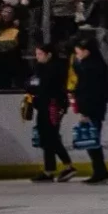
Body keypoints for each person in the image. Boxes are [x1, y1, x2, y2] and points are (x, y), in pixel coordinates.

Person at [21, 43, 75, 182]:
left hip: (53, 106)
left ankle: (68, 166)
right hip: (43, 105)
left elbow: (41, 85)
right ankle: (49, 170)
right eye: (36, 54)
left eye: (40, 54)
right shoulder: (41, 67)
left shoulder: (56, 67)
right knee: (45, 137)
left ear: (49, 55)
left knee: (51, 137)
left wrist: (34, 86)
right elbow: (30, 83)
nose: (37, 57)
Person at [69, 36, 108, 185]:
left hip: (92, 109)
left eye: (78, 52)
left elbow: (89, 92)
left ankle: (100, 172)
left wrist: (85, 112)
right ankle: (101, 171)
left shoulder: (91, 68)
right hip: (94, 108)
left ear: (87, 51)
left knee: (92, 141)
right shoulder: (92, 65)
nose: (77, 55)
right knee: (92, 141)